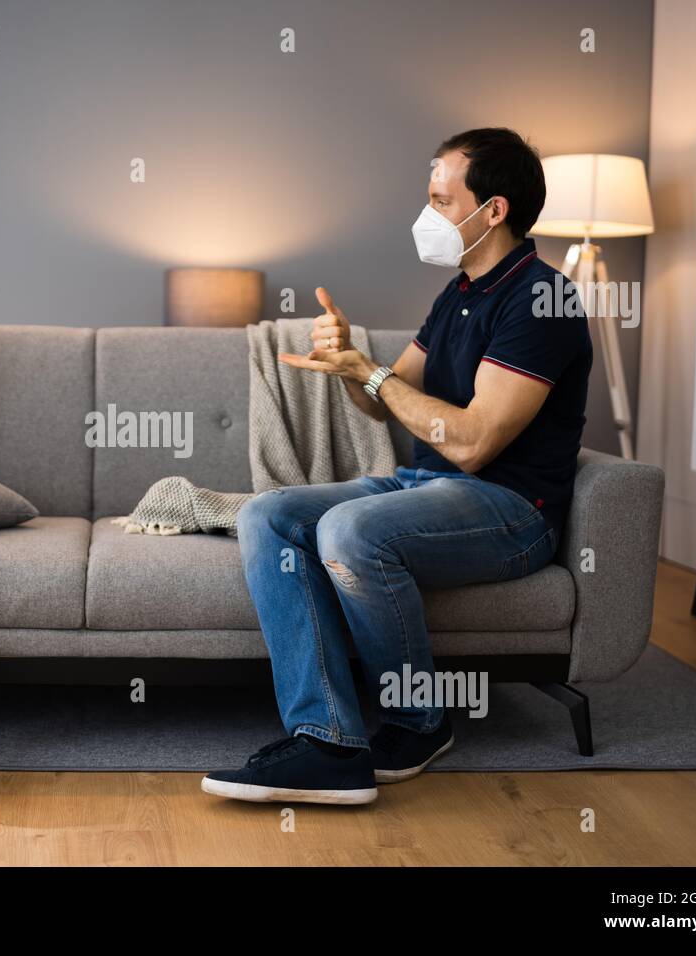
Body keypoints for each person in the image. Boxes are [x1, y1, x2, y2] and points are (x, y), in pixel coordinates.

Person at [202, 128, 592, 805]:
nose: (428, 214)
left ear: (492, 210)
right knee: (269, 513)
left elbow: (472, 444)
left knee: (352, 533)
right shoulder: (459, 293)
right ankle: (326, 741)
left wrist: (372, 375)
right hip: (427, 486)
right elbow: (383, 400)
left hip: (509, 509)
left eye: (442, 200)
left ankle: (420, 719)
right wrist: (347, 360)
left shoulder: (540, 299)